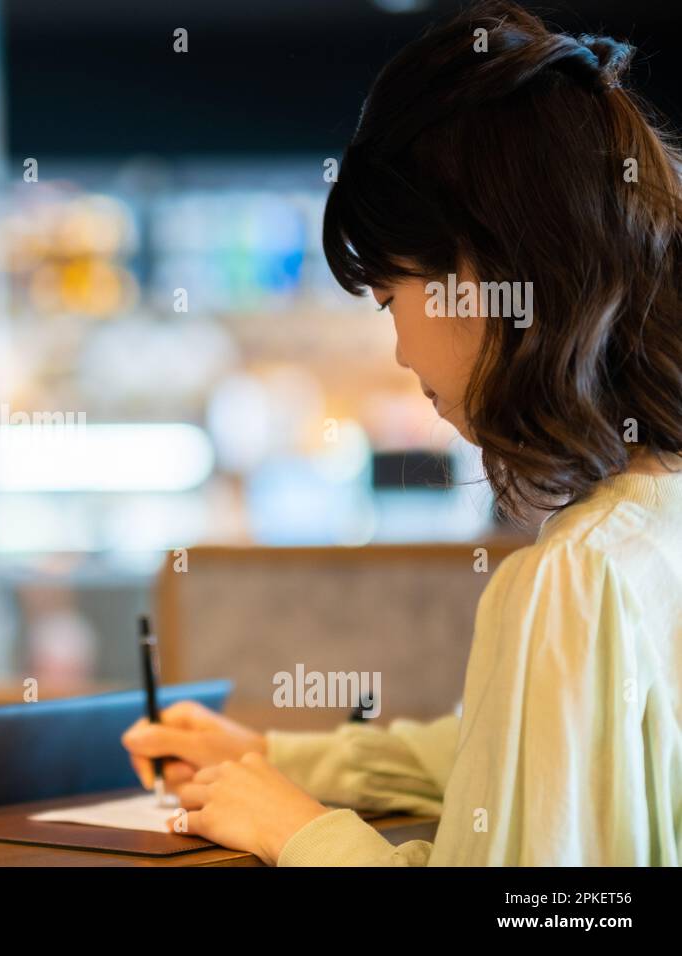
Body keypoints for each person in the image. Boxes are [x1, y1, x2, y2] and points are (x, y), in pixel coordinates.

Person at [123, 0, 682, 865]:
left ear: (488, 269)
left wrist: (299, 832)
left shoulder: (575, 578)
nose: (397, 350)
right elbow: (516, 761)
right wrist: (268, 759)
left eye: (391, 297)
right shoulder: (654, 524)